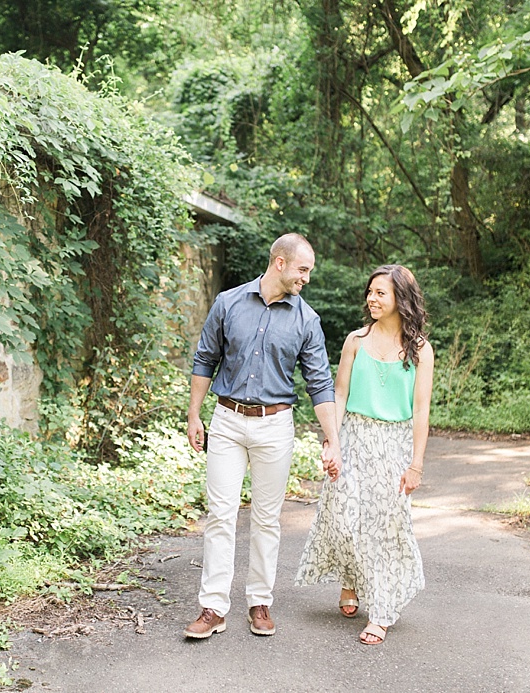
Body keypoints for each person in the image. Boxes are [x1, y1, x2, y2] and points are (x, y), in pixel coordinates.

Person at [183, 233, 342, 640]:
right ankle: (213, 607)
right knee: (220, 515)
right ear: (280, 263)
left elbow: (319, 383)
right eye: (303, 269)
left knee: (267, 518)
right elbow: (205, 358)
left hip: (276, 426)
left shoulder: (307, 320)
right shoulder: (229, 303)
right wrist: (195, 414)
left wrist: (332, 439)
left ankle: (259, 602)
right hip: (228, 420)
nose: (307, 278)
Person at [295, 264, 434, 645]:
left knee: (387, 525)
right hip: (354, 436)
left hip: (393, 443)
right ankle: (350, 579)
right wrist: (331, 441)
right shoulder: (356, 340)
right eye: (370, 292)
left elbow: (421, 410)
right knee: (342, 514)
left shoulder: (420, 350)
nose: (372, 299)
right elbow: (338, 394)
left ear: (400, 300)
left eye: (380, 293)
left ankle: (383, 609)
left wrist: (416, 464)